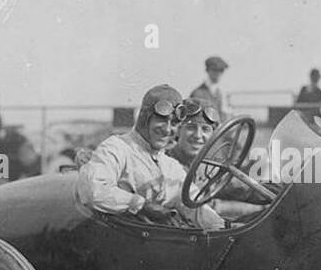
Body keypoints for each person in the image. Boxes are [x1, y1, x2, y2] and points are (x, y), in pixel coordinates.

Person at [78, 84, 223, 230]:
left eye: (173, 123)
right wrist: (141, 205)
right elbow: (92, 190)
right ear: (144, 119)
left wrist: (222, 226)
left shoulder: (171, 166)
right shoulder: (117, 148)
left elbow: (195, 206)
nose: (167, 129)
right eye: (161, 120)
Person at [169, 97, 270, 218]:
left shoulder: (206, 168)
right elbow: (202, 209)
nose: (198, 135)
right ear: (178, 130)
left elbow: (243, 190)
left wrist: (285, 189)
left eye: (205, 129)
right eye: (191, 127)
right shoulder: (166, 164)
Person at [191, 56, 231, 121]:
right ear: (207, 70)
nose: (218, 73)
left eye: (221, 70)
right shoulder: (198, 93)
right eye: (214, 70)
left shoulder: (223, 92)